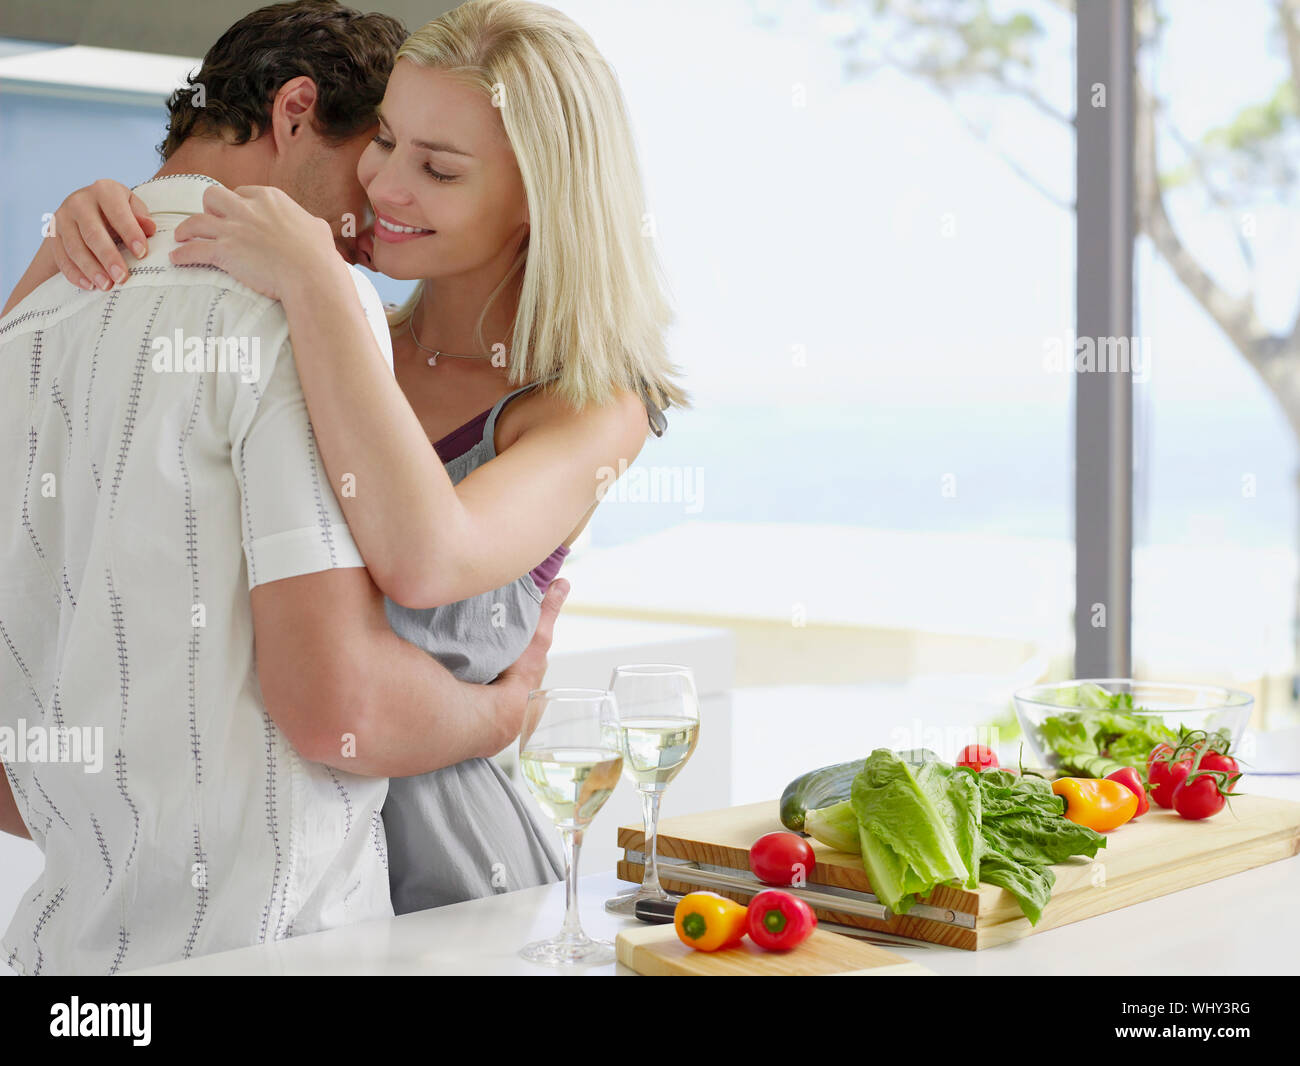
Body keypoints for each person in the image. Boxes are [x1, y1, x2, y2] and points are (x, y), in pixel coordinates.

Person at [24, 0, 691, 913]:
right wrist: (79, 236)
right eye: (383, 139)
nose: (383, 185)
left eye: (438, 168)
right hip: (261, 872)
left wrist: (316, 281)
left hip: (449, 882)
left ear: (540, 202)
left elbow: (429, 559)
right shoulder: (334, 336)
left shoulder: (590, 407)